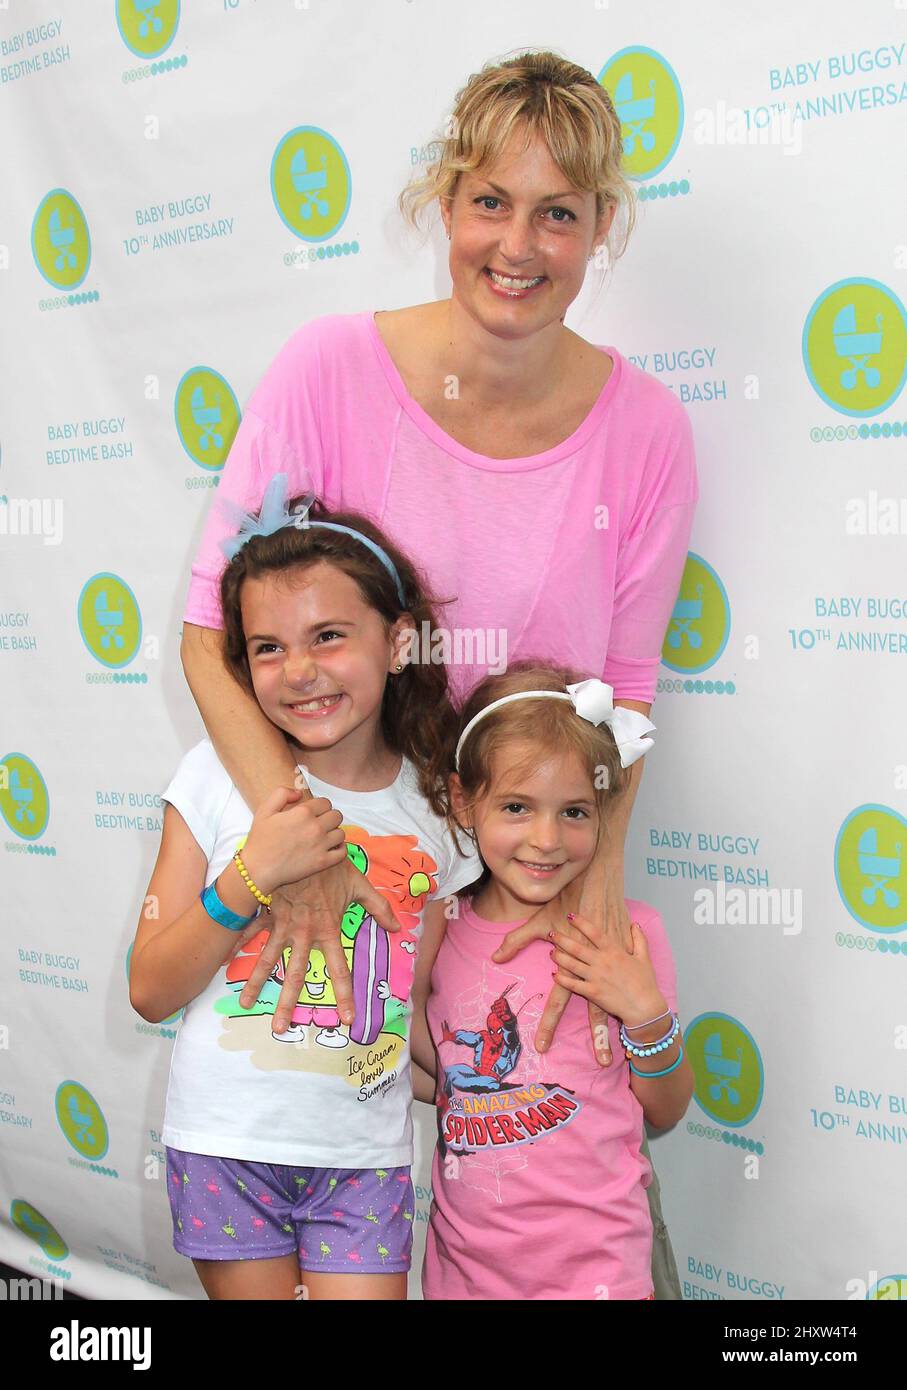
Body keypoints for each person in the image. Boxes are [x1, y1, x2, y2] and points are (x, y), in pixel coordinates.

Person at [178, 50, 698, 1297]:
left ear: (600, 229)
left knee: (545, 1207)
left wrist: (586, 923)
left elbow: (625, 707)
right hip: (345, 894)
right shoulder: (325, 370)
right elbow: (208, 632)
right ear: (442, 203)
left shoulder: (650, 433)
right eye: (489, 202)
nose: (517, 246)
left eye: (558, 212)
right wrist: (296, 849)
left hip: (523, 881)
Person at [129, 481, 482, 1300]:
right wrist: (253, 876)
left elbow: (413, 1001)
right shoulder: (212, 778)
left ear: (398, 643)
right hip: (224, 1141)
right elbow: (151, 988)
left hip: (363, 1160)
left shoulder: (440, 812)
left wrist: (492, 1092)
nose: (300, 672)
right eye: (266, 648)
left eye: (328, 635)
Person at [411, 662, 695, 1300]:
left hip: (601, 1278)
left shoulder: (627, 934)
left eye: (574, 811)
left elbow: (669, 1107)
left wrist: (643, 1011)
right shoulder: (443, 931)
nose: (546, 839)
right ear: (463, 801)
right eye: (517, 807)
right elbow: (441, 1081)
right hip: (463, 1279)